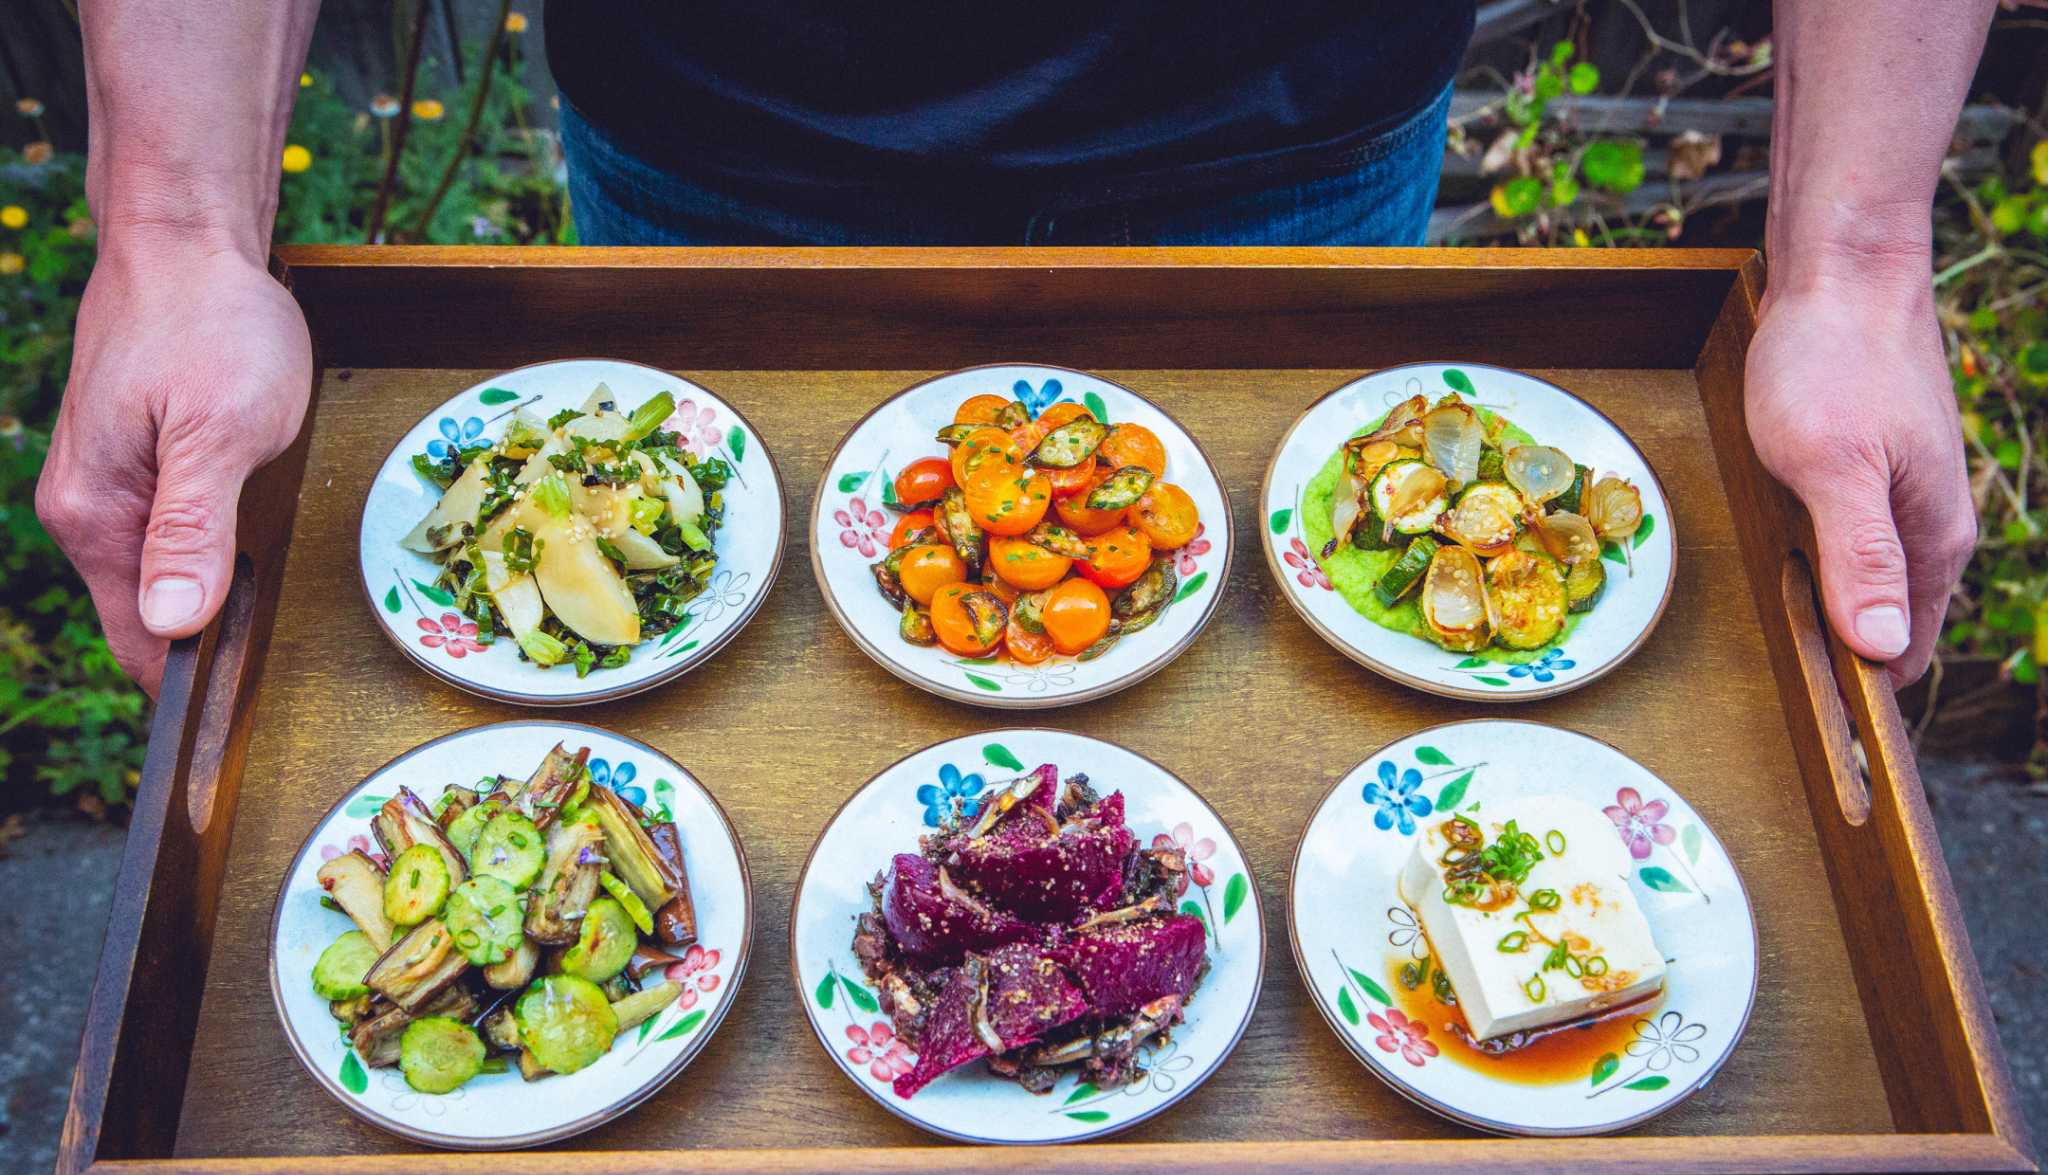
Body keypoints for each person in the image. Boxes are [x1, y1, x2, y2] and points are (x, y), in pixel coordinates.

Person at [37, 1, 1990, 694]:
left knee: (1297, 669)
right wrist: (180, 229)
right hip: (717, 149)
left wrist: (1853, 263)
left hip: (1301, 141)